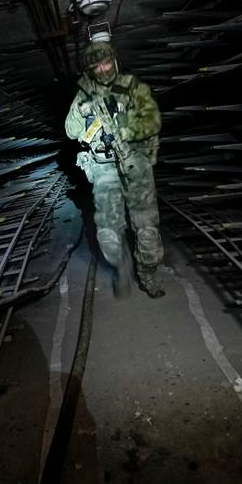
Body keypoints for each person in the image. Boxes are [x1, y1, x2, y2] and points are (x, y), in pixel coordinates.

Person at [64, 35, 166, 298]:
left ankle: (148, 275)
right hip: (104, 168)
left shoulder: (132, 87)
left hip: (135, 163)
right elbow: (71, 131)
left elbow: (153, 121)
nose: (104, 70)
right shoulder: (84, 94)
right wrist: (83, 109)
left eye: (107, 63)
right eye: (97, 67)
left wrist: (127, 130)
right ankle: (121, 268)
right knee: (108, 232)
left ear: (115, 62)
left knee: (147, 229)